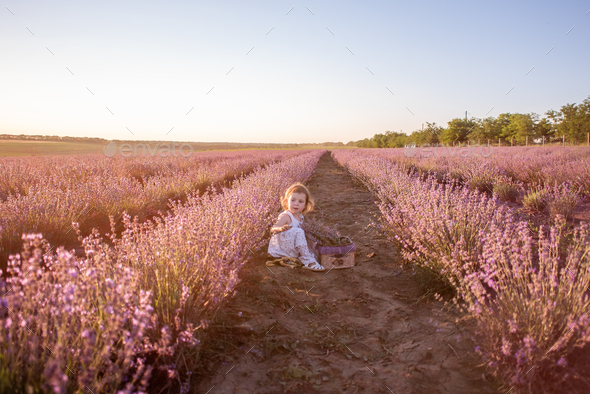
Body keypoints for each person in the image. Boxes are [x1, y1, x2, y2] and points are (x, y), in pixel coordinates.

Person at [268, 183, 326, 271]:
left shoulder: (301, 217)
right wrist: (280, 229)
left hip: (292, 247)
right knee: (299, 231)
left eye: (300, 201)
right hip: (281, 248)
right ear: (287, 201)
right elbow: (273, 229)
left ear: (305, 205)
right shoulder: (286, 216)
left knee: (310, 237)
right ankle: (308, 261)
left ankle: (313, 257)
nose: (296, 204)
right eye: (293, 200)